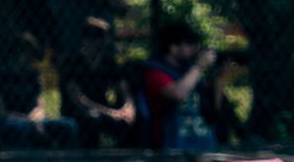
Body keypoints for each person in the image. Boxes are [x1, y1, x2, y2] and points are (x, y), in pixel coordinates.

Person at [137, 17, 219, 153]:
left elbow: (213, 110)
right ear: (173, 47)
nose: (195, 48)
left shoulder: (190, 72)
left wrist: (219, 80)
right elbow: (176, 94)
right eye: (190, 44)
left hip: (203, 146)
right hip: (171, 149)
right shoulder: (155, 72)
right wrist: (199, 66)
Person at [60, 14, 138, 147]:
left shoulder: (108, 63)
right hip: (80, 111)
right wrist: (110, 113)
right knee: (92, 118)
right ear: (84, 39)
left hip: (105, 108)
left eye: (100, 37)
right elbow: (79, 101)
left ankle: (124, 161)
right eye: (91, 37)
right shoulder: (72, 63)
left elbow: (124, 91)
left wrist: (128, 109)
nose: (96, 42)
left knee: (130, 120)